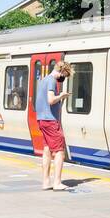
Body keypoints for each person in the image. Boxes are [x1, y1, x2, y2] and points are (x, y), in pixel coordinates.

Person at [34, 60, 72, 192]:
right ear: (62, 72)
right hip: (50, 121)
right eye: (65, 75)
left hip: (42, 120)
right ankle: (57, 182)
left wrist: (60, 99)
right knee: (60, 151)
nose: (64, 78)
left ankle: (45, 182)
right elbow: (51, 100)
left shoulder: (43, 80)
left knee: (47, 150)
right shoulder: (51, 81)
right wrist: (61, 95)